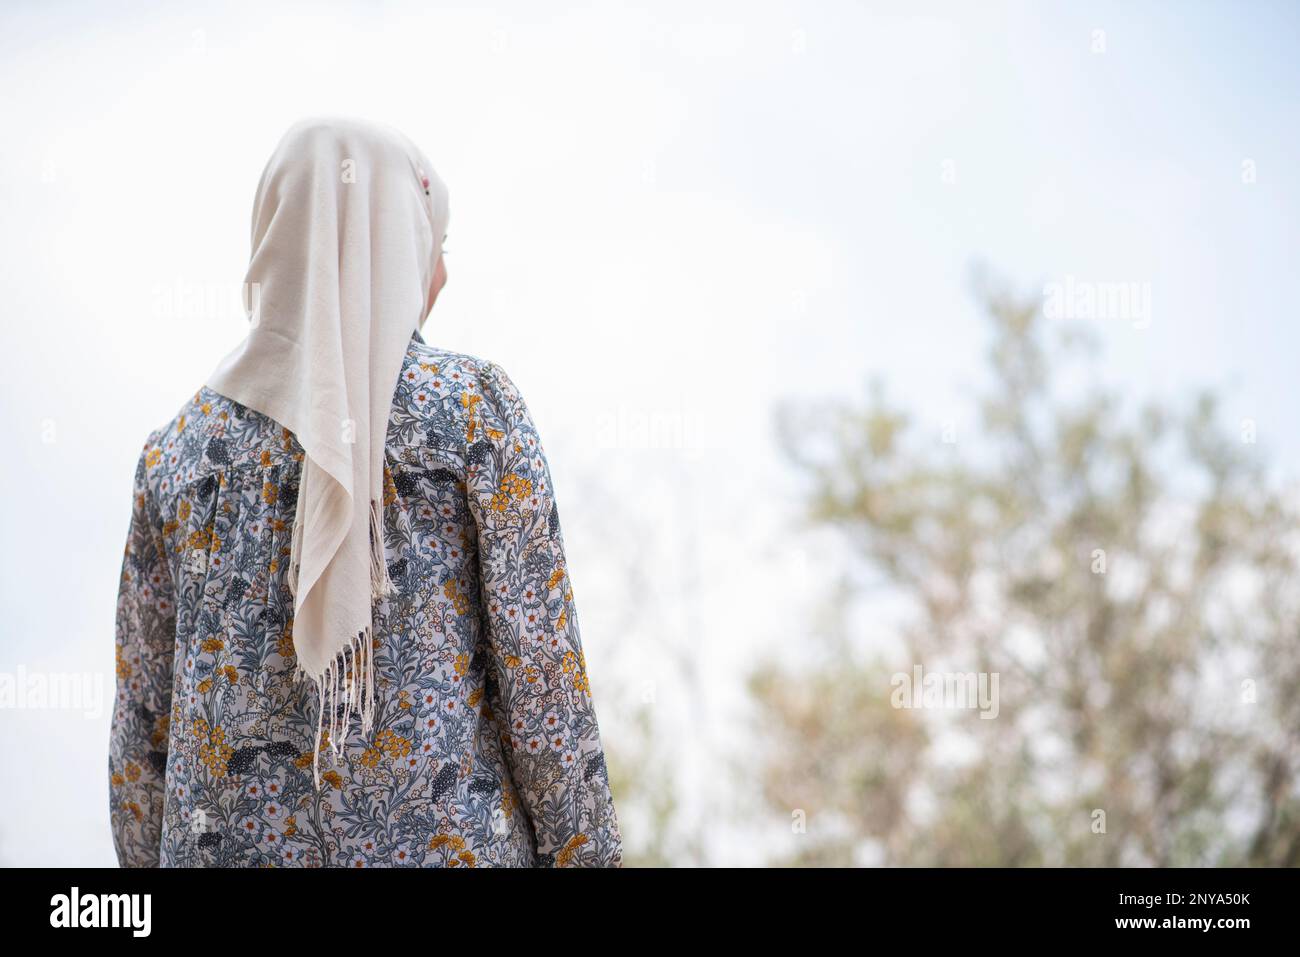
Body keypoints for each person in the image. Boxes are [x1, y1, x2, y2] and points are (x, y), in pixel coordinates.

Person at [108, 117, 622, 868]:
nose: (439, 274)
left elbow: (140, 747)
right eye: (433, 244)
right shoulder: (472, 411)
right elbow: (544, 700)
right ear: (396, 244)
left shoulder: (175, 459)